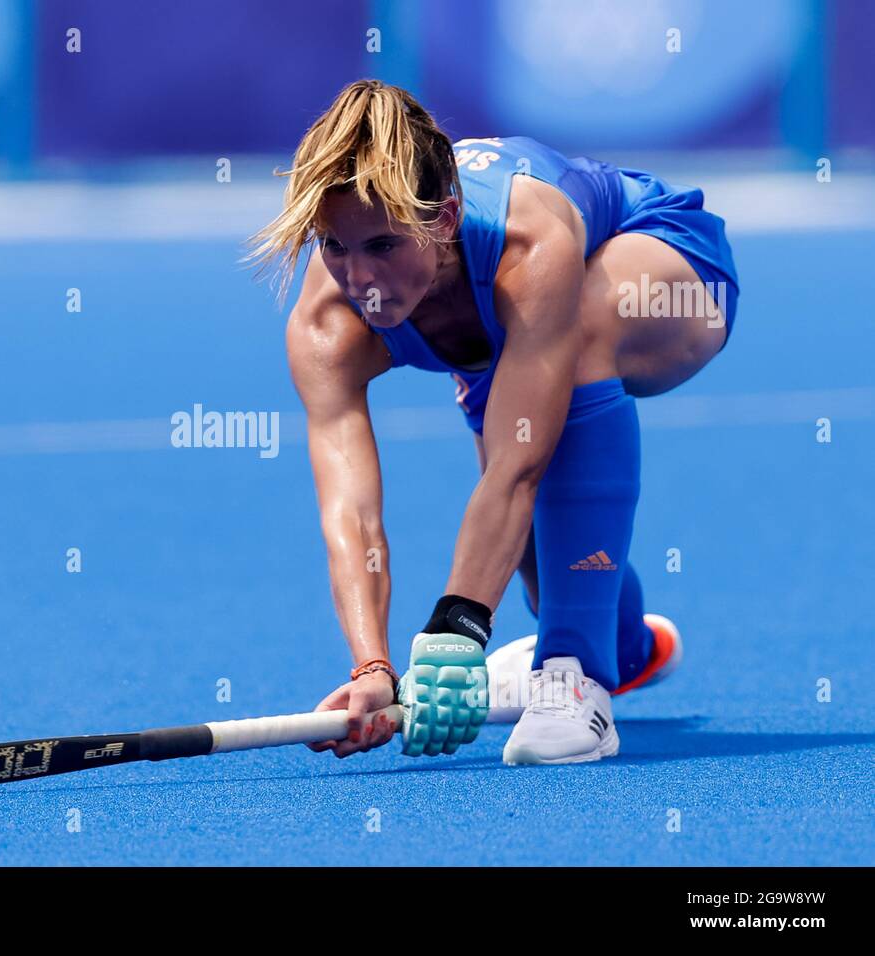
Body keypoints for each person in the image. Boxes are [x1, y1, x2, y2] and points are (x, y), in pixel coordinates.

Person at [246, 79, 738, 765]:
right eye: (334, 245)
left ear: (445, 220)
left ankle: (574, 673)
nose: (362, 280)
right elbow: (350, 511)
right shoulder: (327, 323)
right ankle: (627, 644)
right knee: (540, 555)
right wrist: (373, 668)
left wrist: (458, 628)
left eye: (384, 245)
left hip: (665, 265)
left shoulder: (526, 242)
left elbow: (518, 467)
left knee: (585, 334)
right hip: (514, 333)